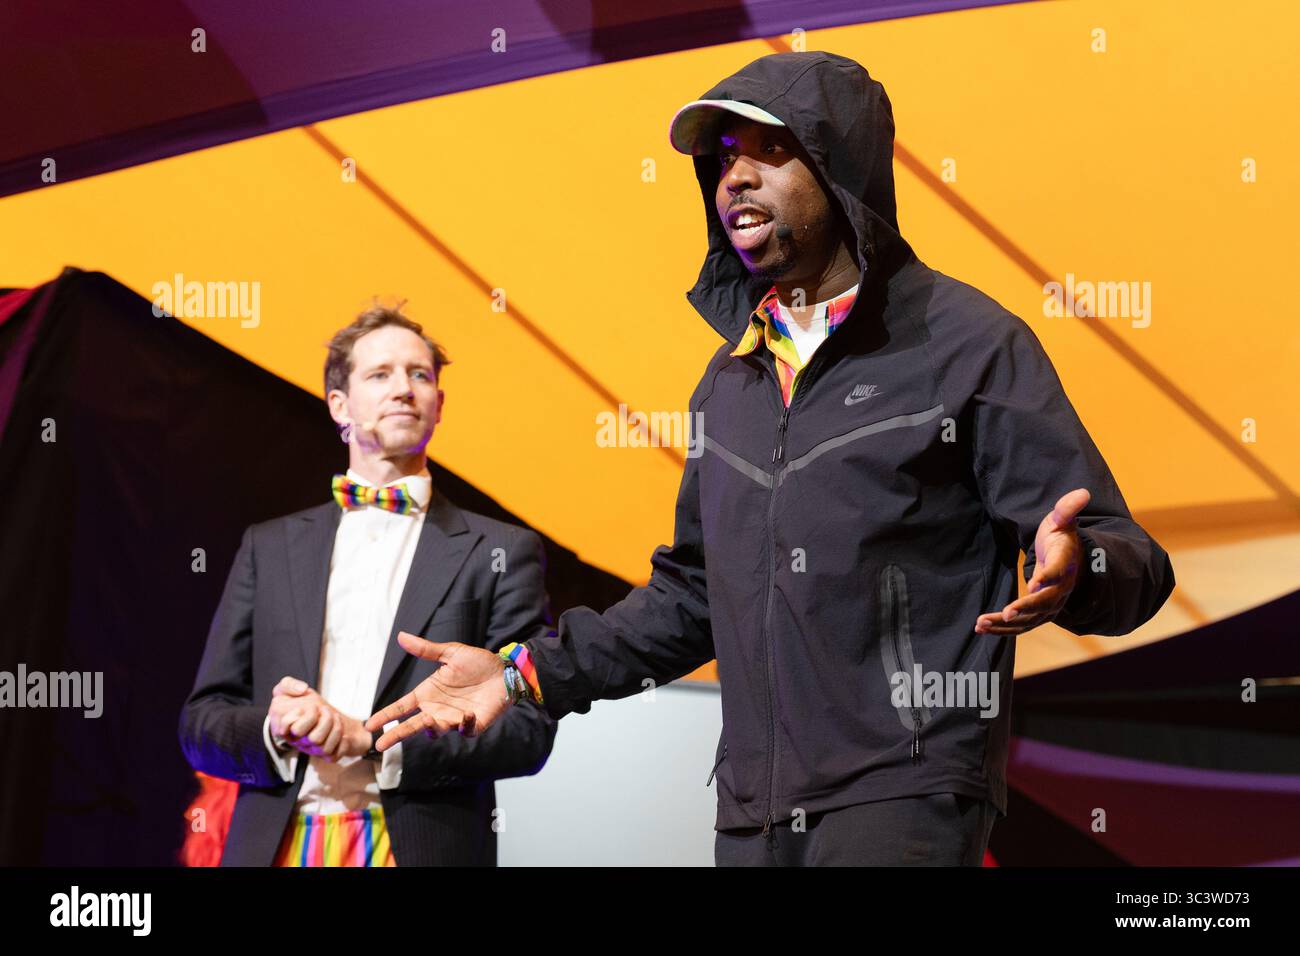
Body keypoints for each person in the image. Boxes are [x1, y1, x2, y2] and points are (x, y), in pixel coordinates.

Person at [367, 52, 1175, 866]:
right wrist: (521, 676)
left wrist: (1080, 567)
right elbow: (691, 597)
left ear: (841, 167)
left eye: (771, 149)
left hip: (903, 794)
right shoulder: (730, 382)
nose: (736, 178)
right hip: (752, 813)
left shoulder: (968, 343)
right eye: (723, 160)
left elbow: (1131, 558)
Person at [179, 304, 557, 866]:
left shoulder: (501, 551)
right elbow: (200, 723)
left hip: (419, 846)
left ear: (438, 404)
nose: (403, 388)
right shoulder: (269, 546)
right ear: (339, 405)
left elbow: (527, 730)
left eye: (419, 374)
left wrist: (375, 742)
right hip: (277, 844)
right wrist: (275, 728)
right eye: (380, 374)